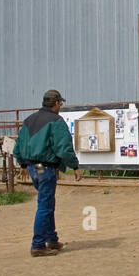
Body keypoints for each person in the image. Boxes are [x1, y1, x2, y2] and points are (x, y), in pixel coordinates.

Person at [13, 89, 82, 257]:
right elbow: (63, 147)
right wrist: (74, 166)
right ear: (57, 103)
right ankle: (37, 245)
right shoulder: (56, 121)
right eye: (60, 103)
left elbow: (19, 146)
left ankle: (52, 239)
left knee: (48, 202)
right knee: (44, 205)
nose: (61, 106)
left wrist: (22, 164)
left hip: (33, 167)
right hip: (46, 167)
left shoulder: (29, 120)